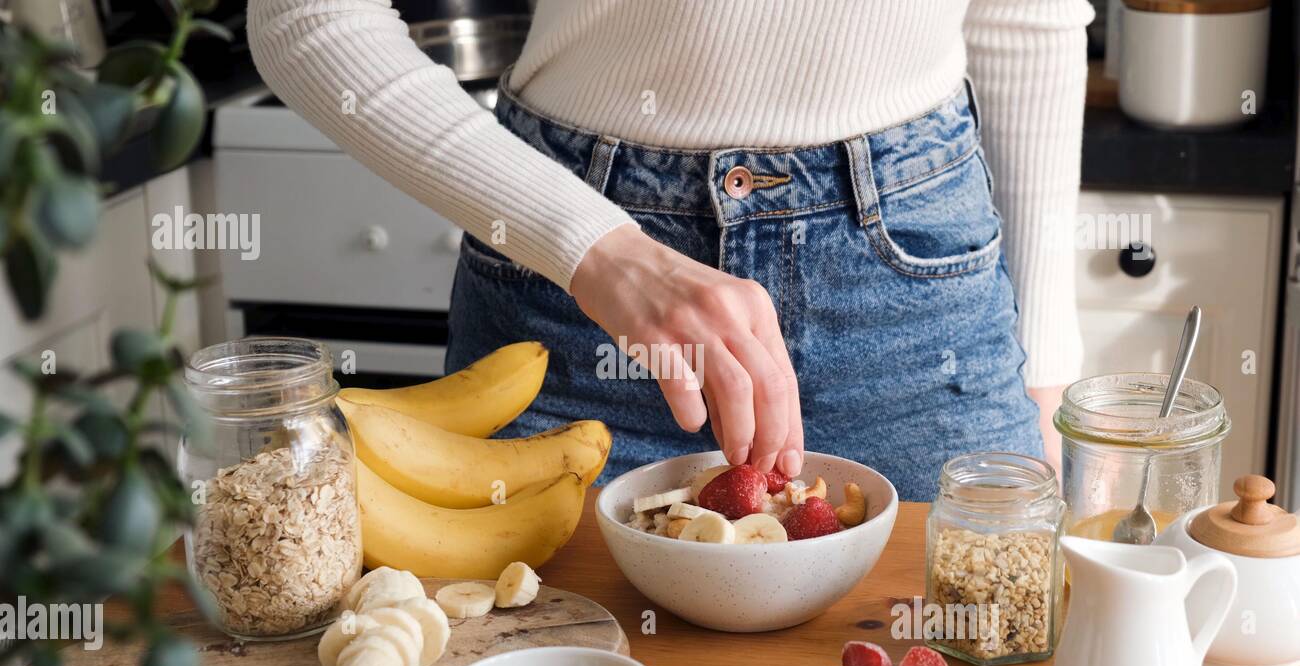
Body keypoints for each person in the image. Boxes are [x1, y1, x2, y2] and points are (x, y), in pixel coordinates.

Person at [248, 0, 1093, 501]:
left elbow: (1028, 16)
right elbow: (302, 15)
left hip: (921, 310)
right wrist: (603, 252)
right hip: (579, 302)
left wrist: (1043, 368)